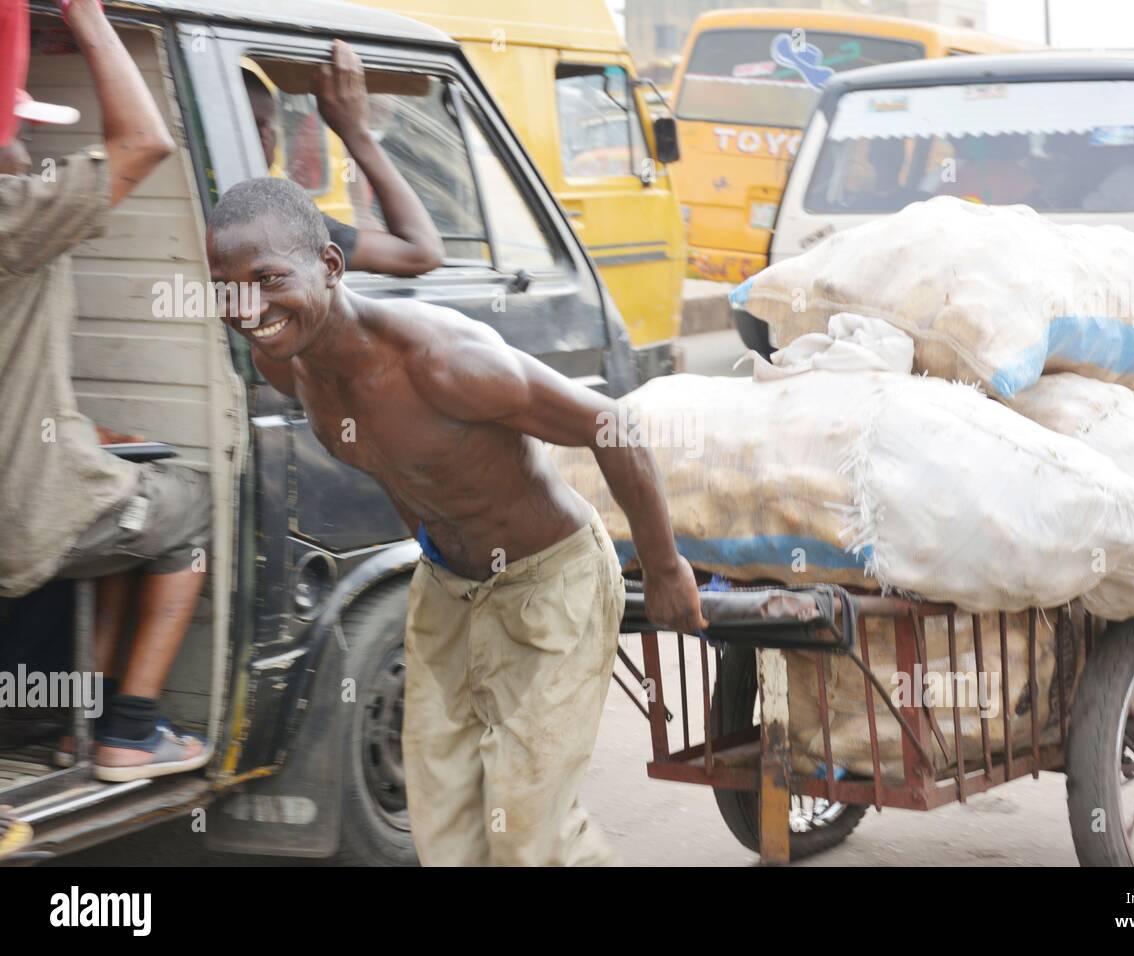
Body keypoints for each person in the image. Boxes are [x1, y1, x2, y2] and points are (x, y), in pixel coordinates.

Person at [206, 176, 707, 865]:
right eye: (227, 286)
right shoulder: (286, 361)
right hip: (446, 592)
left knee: (529, 829)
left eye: (266, 278)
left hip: (549, 585)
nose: (247, 305)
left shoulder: (441, 361)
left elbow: (611, 425)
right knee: (445, 825)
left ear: (328, 267)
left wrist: (665, 568)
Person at [0, 0, 211, 780]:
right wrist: (88, 17)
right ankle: (127, 730)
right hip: (21, 520)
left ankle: (73, 722)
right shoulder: (14, 216)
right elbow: (145, 142)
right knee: (185, 502)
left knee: (123, 494)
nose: (28, 144)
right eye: (18, 126)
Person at [242, 39, 443, 277]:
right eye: (269, 123)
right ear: (266, 135)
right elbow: (421, 253)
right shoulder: (277, 219)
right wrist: (356, 133)